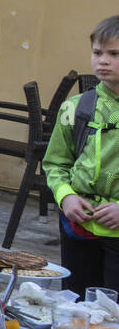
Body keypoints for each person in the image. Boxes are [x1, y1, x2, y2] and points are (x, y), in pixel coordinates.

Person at [43, 17, 119, 294]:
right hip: (79, 228)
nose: (103, 61)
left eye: (115, 54)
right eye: (98, 53)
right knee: (75, 307)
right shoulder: (75, 108)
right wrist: (66, 196)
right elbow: (54, 163)